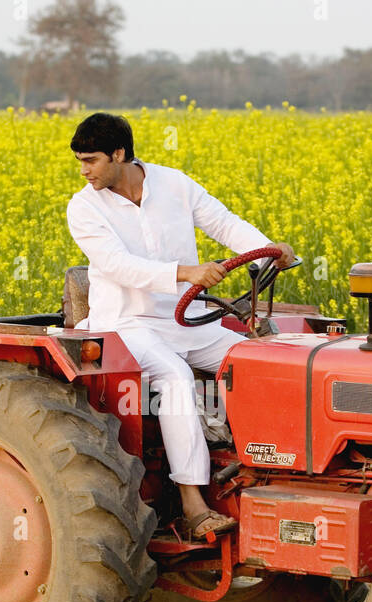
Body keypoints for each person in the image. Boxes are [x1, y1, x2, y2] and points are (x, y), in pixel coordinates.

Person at [66, 112, 295, 540]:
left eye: (91, 160)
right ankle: (193, 504)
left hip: (184, 319)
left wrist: (267, 250)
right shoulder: (83, 207)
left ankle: (276, 477)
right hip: (125, 325)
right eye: (81, 161)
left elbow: (224, 224)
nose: (84, 171)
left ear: (120, 154)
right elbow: (118, 265)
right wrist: (185, 273)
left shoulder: (174, 183)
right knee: (174, 375)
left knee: (254, 360)